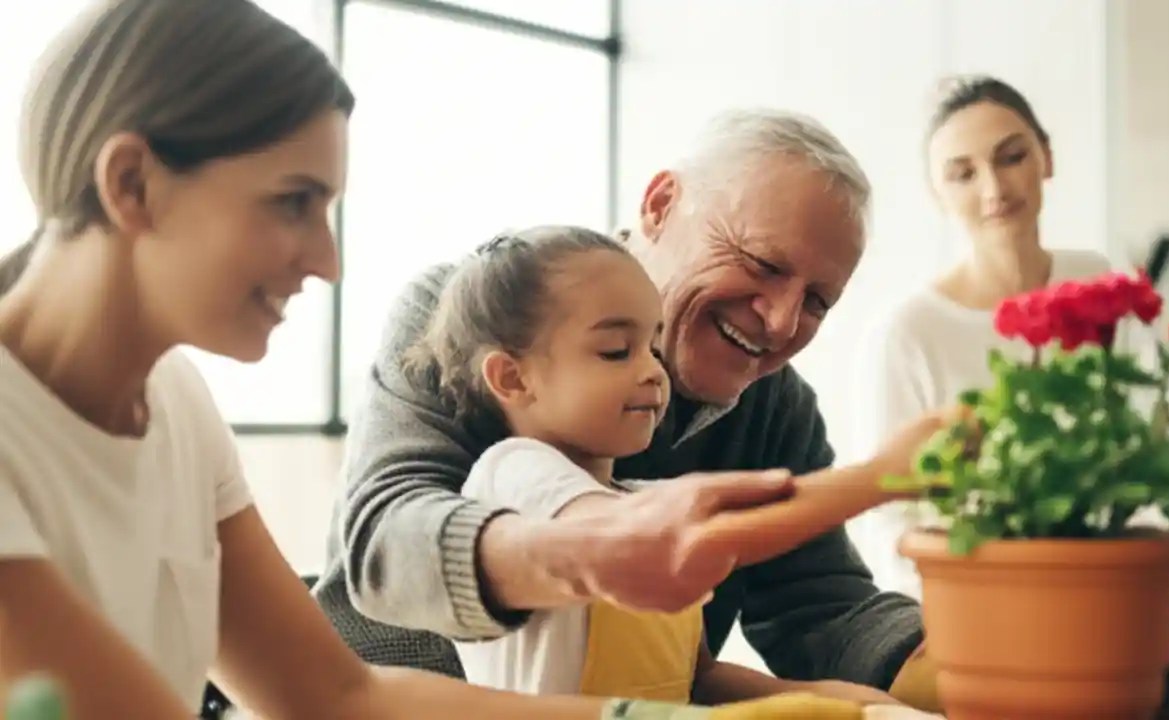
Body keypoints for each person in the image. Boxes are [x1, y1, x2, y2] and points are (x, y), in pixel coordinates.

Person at [0, 2, 856, 719]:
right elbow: (384, 543)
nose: (326, 260)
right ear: (133, 184)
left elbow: (339, 698)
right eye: (293, 202)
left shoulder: (174, 401)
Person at [318, 108, 936, 692]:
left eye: (817, 303)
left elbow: (819, 605)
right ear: (661, 205)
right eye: (761, 264)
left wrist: (964, 663)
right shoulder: (470, 318)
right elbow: (387, 543)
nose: (780, 321)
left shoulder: (775, 405)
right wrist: (595, 550)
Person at [407, 225, 928, 710]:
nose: (654, 373)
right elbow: (668, 541)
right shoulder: (513, 476)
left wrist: (842, 700)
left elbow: (694, 681)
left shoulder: (634, 499)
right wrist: (883, 476)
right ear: (512, 378)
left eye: (652, 346)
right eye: (615, 351)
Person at [846, 75, 1119, 599]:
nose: (993, 189)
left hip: (1102, 589)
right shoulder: (906, 332)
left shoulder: (1097, 284)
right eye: (963, 174)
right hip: (968, 609)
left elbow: (1148, 433)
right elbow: (885, 523)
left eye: (1011, 157)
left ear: (1048, 157)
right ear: (937, 193)